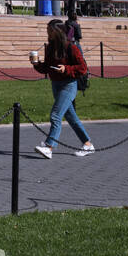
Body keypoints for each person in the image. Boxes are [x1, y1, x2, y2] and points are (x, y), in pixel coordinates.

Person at [32, 18, 95, 158]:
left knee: (55, 115)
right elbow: (47, 68)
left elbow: (83, 68)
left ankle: (49, 147)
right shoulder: (50, 47)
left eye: (49, 30)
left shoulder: (71, 47)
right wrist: (36, 64)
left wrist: (66, 69)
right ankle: (88, 144)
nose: (47, 32)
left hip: (69, 85)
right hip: (56, 84)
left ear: (57, 31)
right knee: (71, 117)